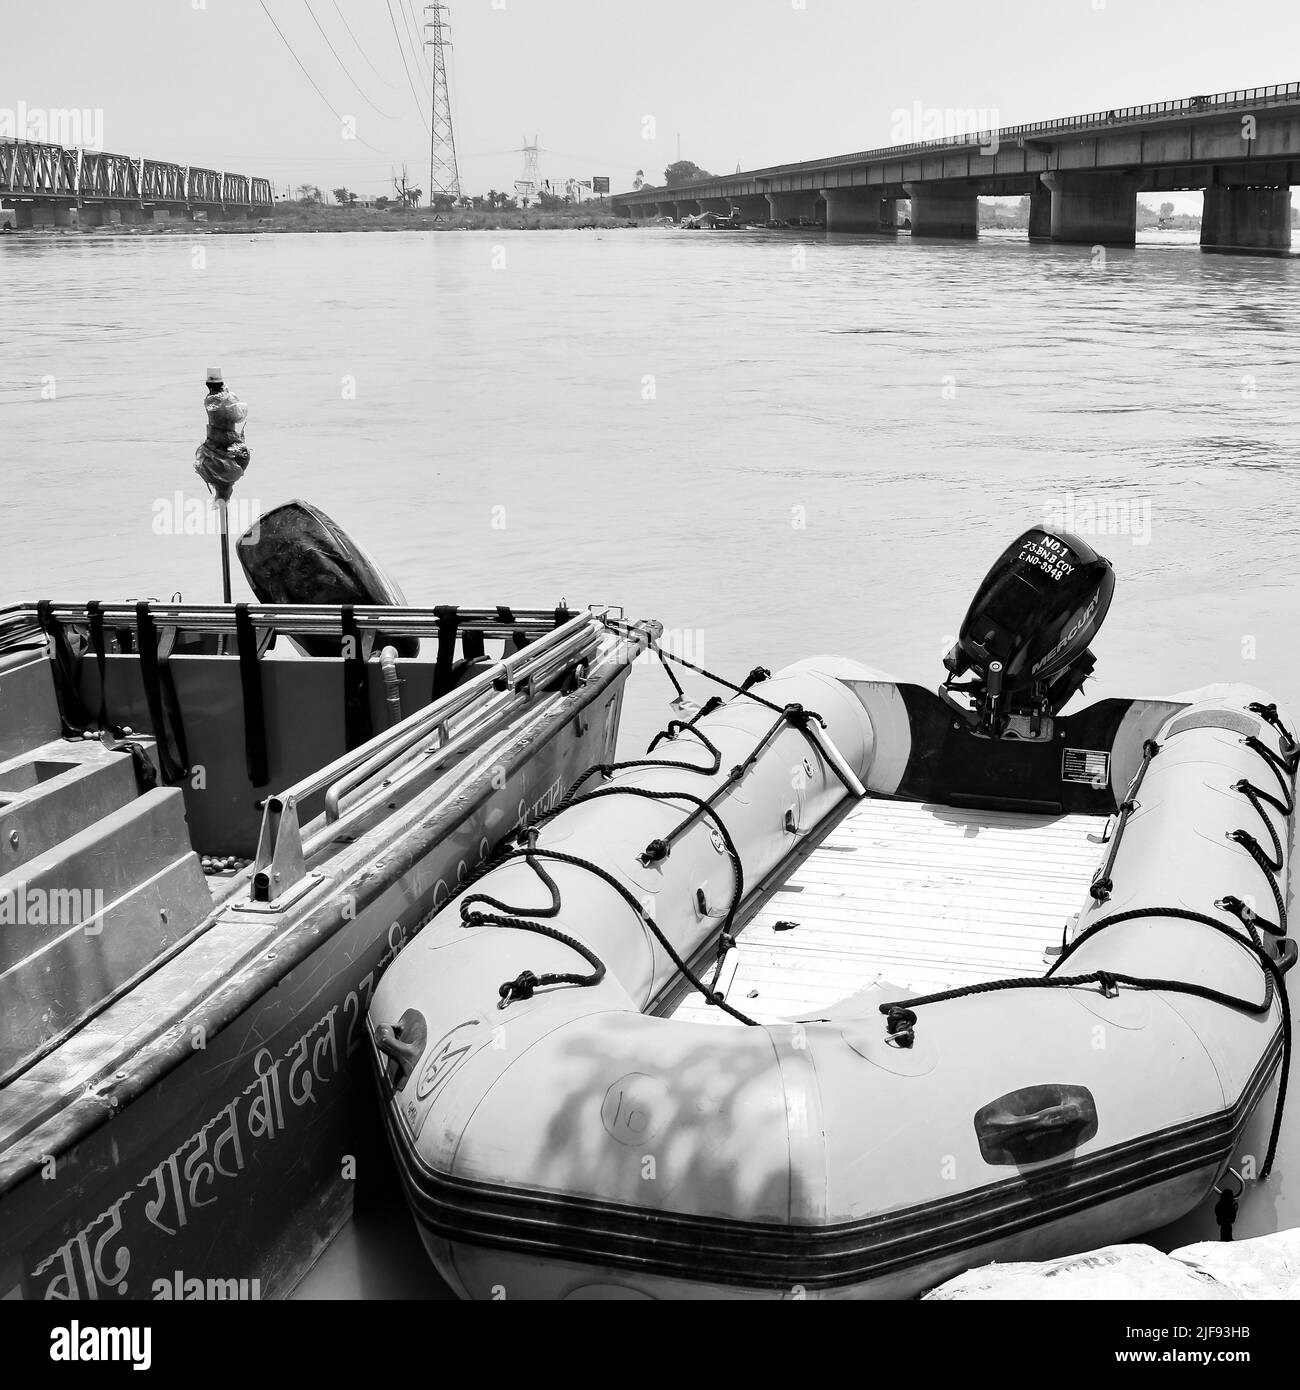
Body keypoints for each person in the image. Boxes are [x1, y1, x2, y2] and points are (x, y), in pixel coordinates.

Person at [194, 368, 250, 501]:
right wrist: (231, 397)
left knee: (239, 459)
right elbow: (238, 416)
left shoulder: (209, 399)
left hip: (212, 445)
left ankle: (222, 497)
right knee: (244, 455)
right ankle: (223, 496)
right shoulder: (223, 400)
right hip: (226, 445)